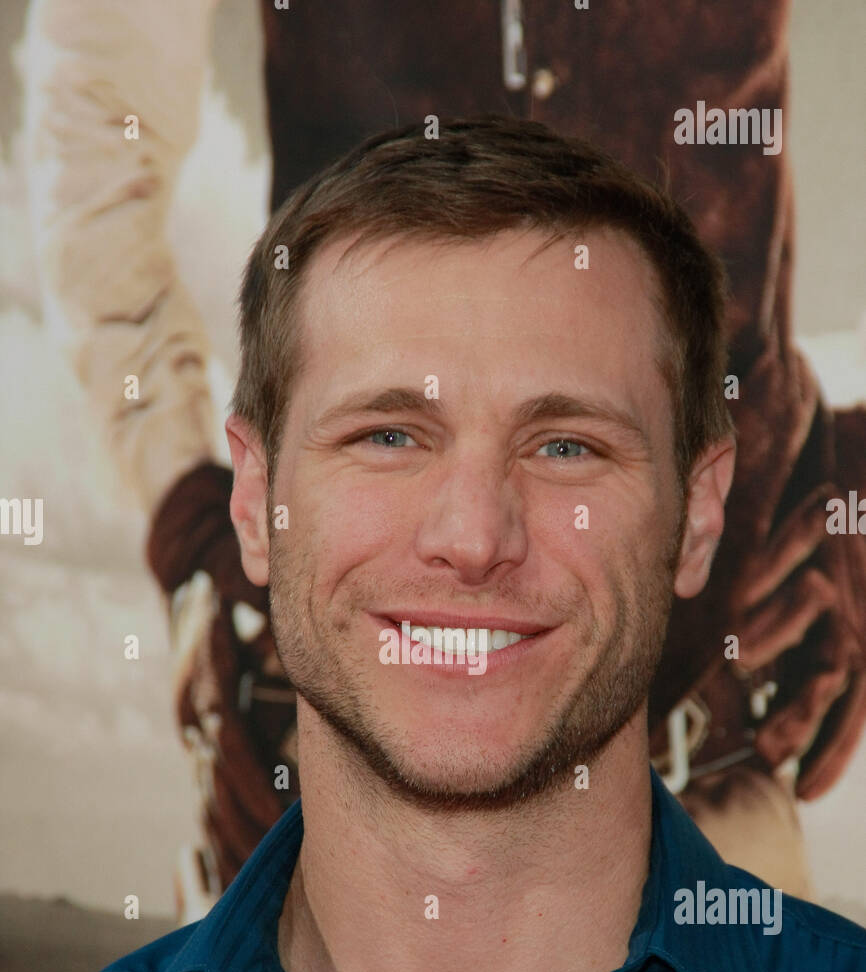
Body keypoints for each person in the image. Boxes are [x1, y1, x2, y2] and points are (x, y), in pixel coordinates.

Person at [2, 117, 864, 972]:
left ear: (696, 512)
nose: (471, 537)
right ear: (253, 502)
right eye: (389, 434)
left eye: (564, 445)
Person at [27, 0, 866, 918]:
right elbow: (98, 120)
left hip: (714, 748)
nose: (477, 542)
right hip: (336, 775)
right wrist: (182, 503)